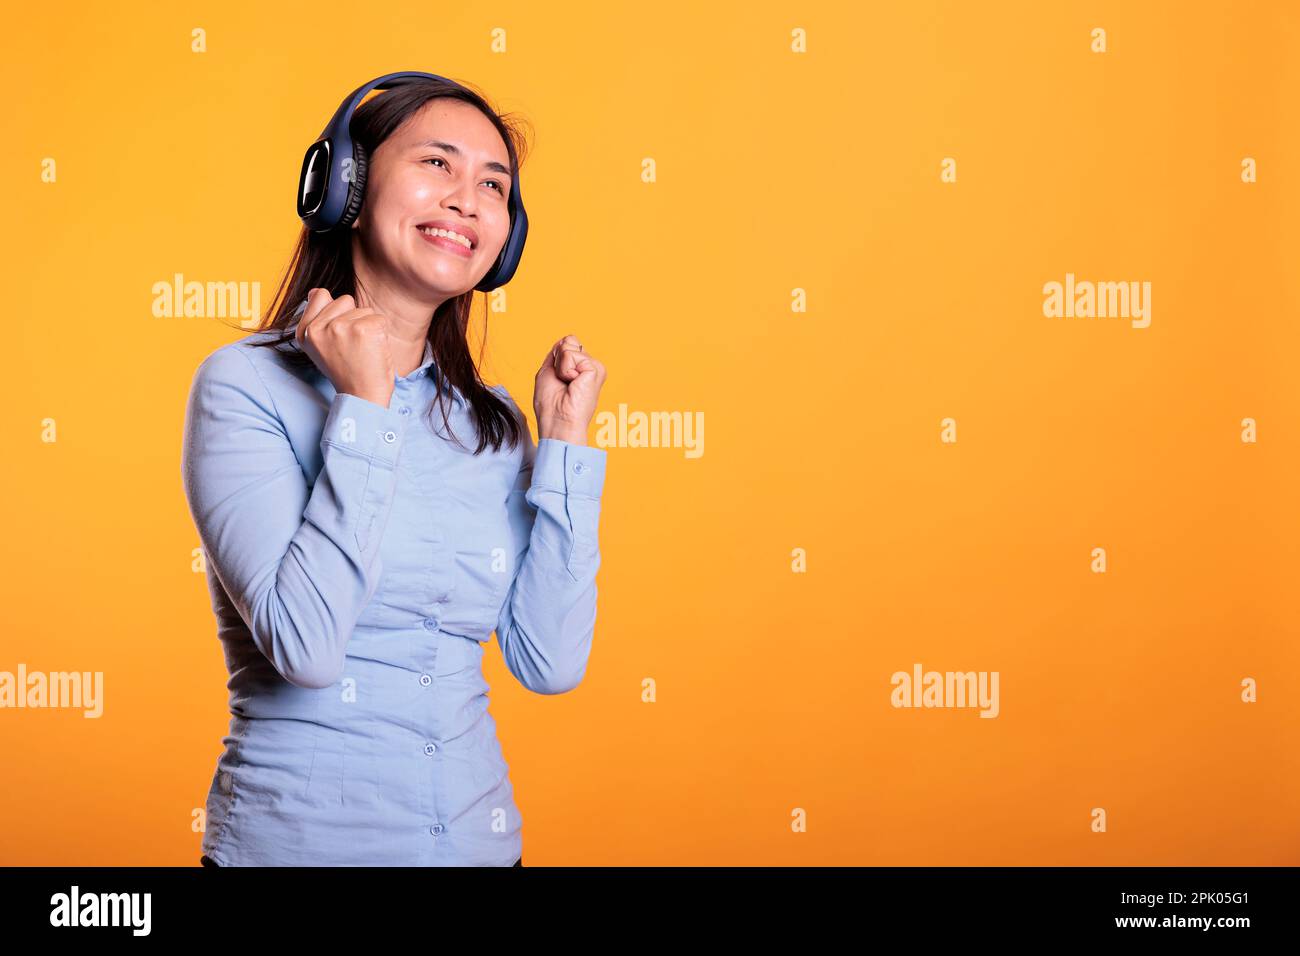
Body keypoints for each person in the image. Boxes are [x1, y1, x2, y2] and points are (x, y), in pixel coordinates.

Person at [180, 74, 607, 866]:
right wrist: (365, 408)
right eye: (437, 164)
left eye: (493, 185)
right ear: (344, 186)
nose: (467, 200)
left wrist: (565, 447)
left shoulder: (491, 423)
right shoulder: (242, 386)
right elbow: (305, 648)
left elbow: (549, 662)